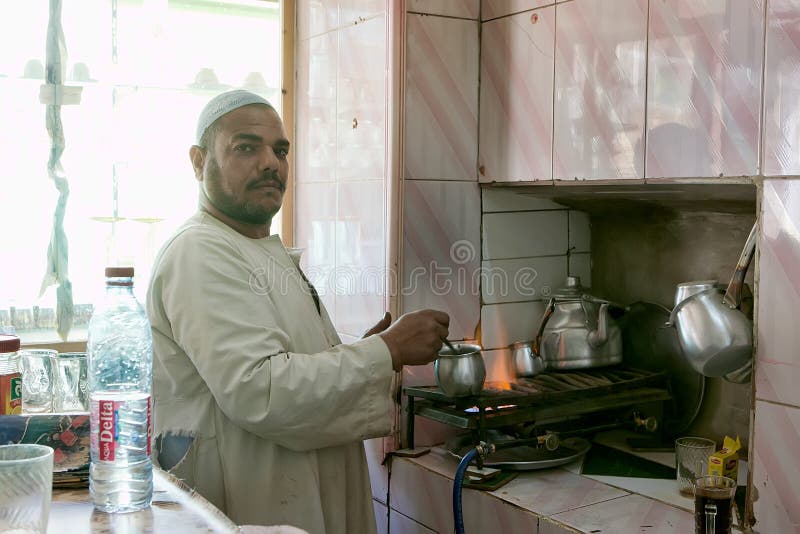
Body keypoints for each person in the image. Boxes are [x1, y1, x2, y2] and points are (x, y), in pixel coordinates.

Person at [145, 89, 450, 533]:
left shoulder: (255, 250)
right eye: (246, 148)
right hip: (252, 505)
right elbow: (262, 391)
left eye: (280, 151)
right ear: (198, 161)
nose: (270, 163)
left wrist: (366, 353)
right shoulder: (200, 251)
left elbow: (292, 367)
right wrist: (387, 350)